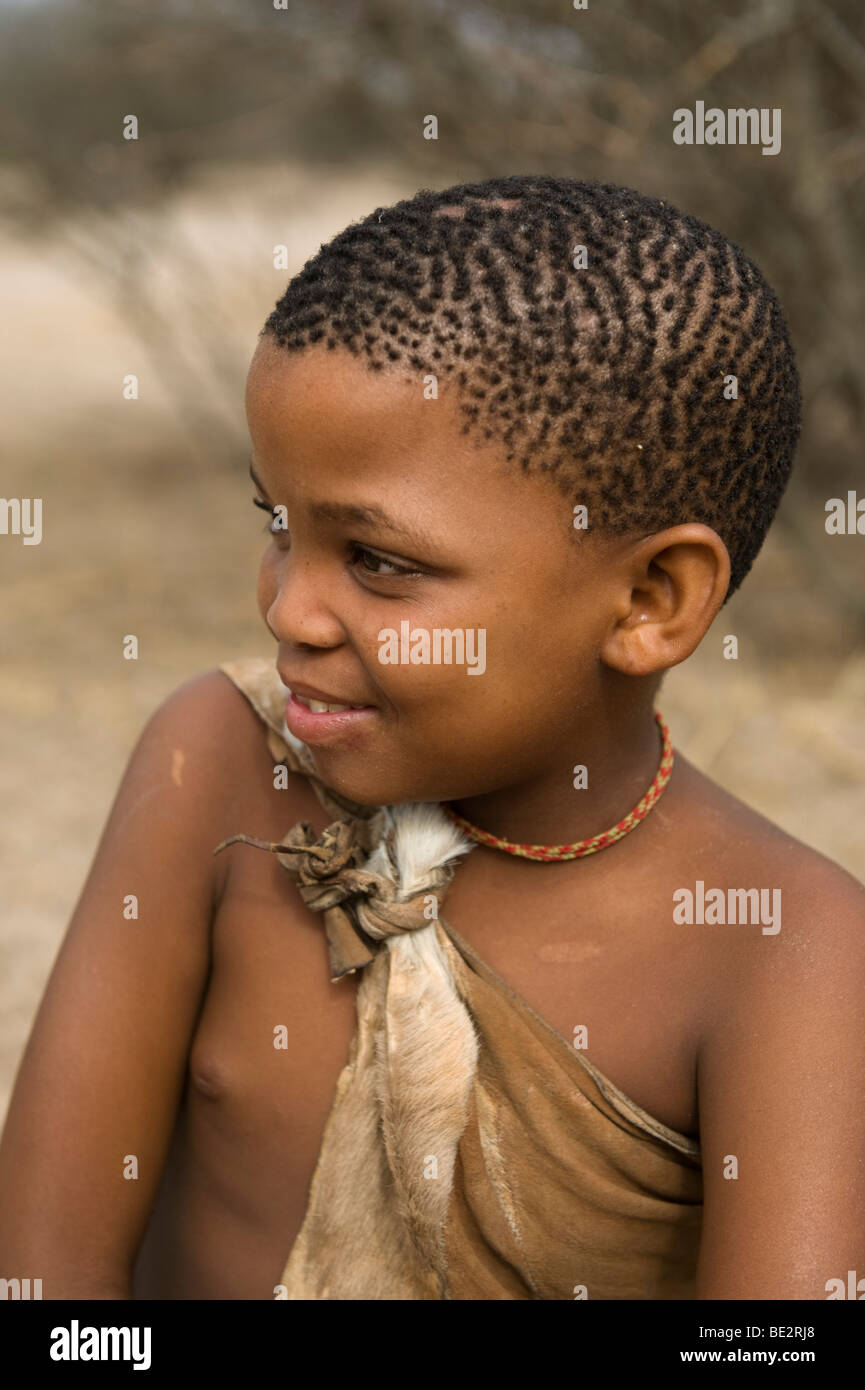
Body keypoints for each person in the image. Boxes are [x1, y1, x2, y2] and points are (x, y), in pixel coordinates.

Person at [1, 175, 863, 1300]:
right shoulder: (217, 761)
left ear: (652, 597)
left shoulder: (784, 949)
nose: (288, 613)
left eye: (379, 561)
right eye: (277, 524)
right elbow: (43, 1276)